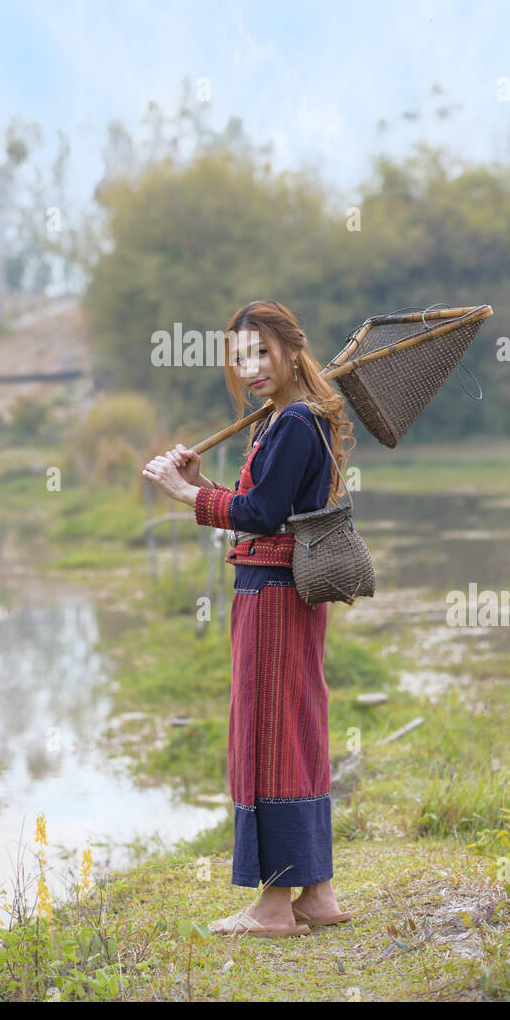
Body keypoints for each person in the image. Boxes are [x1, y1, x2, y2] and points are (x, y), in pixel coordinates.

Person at [141, 299, 356, 937]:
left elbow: (260, 515)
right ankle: (315, 895)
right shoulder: (289, 419)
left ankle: (272, 907)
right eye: (240, 358)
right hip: (288, 594)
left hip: (271, 592)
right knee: (297, 726)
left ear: (292, 349)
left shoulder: (292, 420)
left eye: (263, 351)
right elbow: (266, 501)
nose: (252, 367)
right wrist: (208, 481)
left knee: (266, 735)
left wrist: (188, 495)